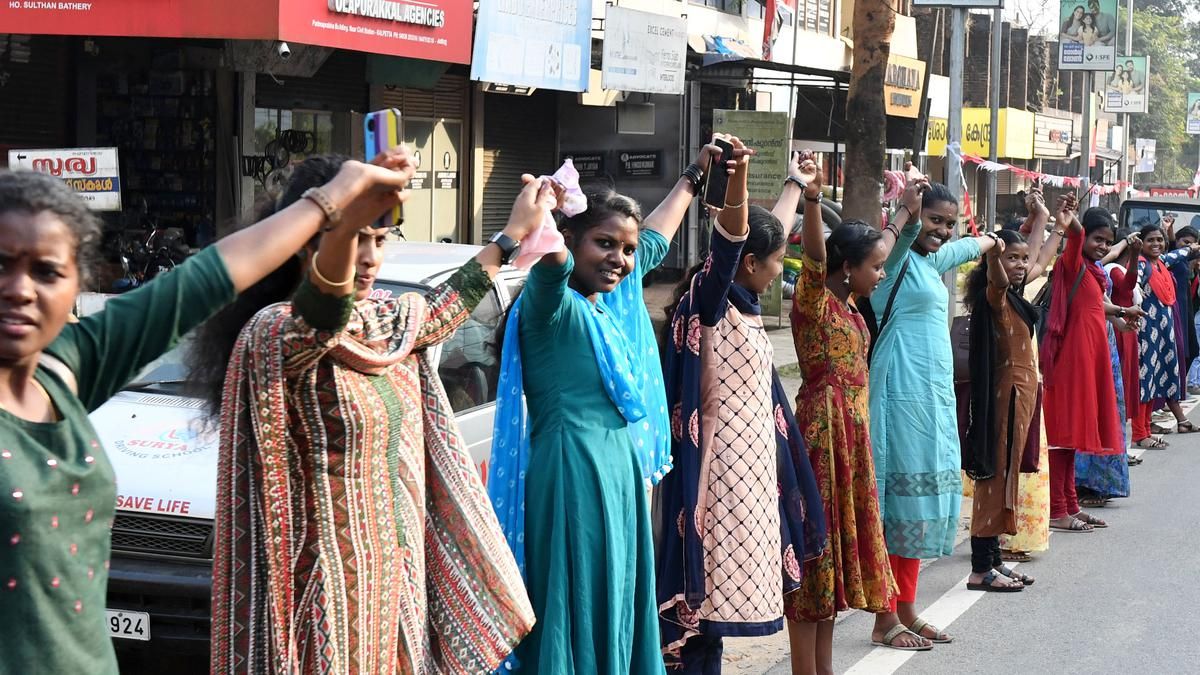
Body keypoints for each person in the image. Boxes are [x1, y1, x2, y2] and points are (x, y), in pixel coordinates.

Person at [0, 159, 417, 674]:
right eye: (2, 264)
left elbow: (208, 277)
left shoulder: (69, 366)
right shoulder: (276, 333)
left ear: (77, 287)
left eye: (46, 271)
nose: (20, 289)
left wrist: (335, 203)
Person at [203, 151, 538, 674]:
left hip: (394, 578)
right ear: (302, 242)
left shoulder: (384, 324)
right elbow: (324, 314)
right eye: (353, 237)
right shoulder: (279, 335)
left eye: (379, 240)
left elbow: (442, 310)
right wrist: (346, 214)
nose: (368, 257)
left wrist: (513, 231)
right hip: (322, 593)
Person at [656, 143, 826, 674]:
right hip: (718, 476)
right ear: (748, 264)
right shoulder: (713, 299)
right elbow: (735, 236)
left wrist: (794, 185)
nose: (782, 270)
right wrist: (739, 177)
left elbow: (760, 232)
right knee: (701, 609)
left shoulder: (742, 295)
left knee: (717, 607)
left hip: (748, 474)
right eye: (778, 262)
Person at [783, 160, 927, 670]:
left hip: (853, 440)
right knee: (815, 562)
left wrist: (905, 210)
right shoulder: (816, 301)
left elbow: (882, 246)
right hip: (823, 438)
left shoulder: (850, 308)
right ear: (849, 268)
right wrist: (813, 198)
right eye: (875, 267)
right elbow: (817, 256)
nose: (882, 271)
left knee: (834, 572)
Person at [867, 183, 998, 646]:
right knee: (897, 507)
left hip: (932, 398)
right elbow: (900, 239)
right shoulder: (897, 261)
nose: (941, 230)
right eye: (934, 220)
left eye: (947, 221)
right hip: (899, 394)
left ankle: (906, 608)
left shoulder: (928, 263)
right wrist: (906, 211)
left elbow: (963, 247)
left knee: (917, 510)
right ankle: (884, 619)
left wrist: (997, 239)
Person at [1041, 205, 1143, 534]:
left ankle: (1071, 504)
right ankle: (1058, 509)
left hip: (1090, 358)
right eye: (1097, 239)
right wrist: (1068, 219)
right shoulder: (1071, 263)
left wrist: (1122, 311)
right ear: (1085, 235)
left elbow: (1095, 304)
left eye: (1107, 241)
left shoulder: (1093, 271)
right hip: (1071, 360)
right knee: (1062, 435)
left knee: (1072, 437)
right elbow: (1073, 237)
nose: (1102, 246)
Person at [961, 229, 1040, 593]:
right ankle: (980, 568)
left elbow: (1039, 256)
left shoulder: (1016, 298)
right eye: (1014, 258)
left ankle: (993, 560)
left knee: (1006, 474)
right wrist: (994, 252)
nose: (1021, 264)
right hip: (1004, 396)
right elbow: (997, 278)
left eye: (1024, 258)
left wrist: (1044, 219)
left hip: (1020, 396)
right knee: (994, 477)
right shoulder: (997, 296)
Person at [1129, 223, 1200, 451]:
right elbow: (1131, 287)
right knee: (1145, 384)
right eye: (1151, 240)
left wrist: (1193, 248)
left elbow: (1180, 253)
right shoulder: (1140, 265)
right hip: (1146, 335)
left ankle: (1147, 431)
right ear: (1141, 243)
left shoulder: (1160, 263)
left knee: (1157, 382)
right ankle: (1140, 434)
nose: (1156, 244)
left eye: (1160, 240)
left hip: (1163, 335)